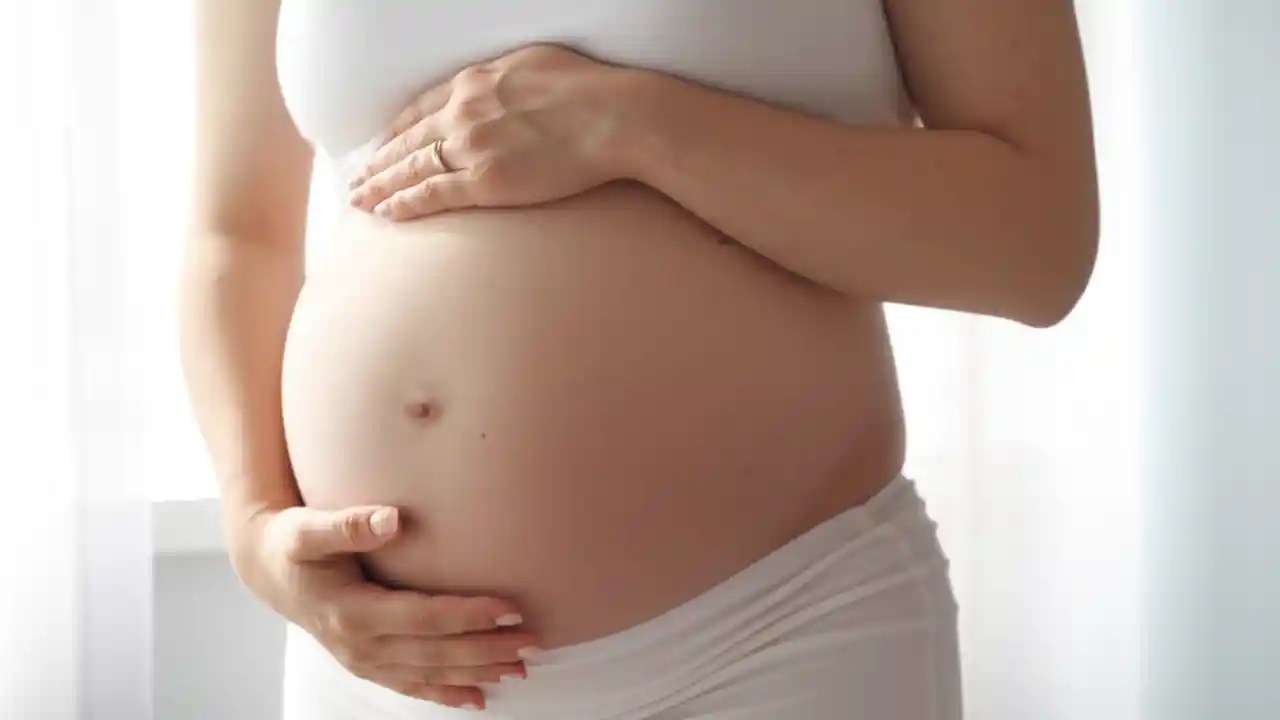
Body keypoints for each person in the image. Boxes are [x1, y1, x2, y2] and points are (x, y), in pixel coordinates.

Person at [180, 0, 1097, 717]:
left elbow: (1037, 243)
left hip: (778, 639)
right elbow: (237, 234)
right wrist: (255, 528)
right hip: (388, 665)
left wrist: (634, 125)